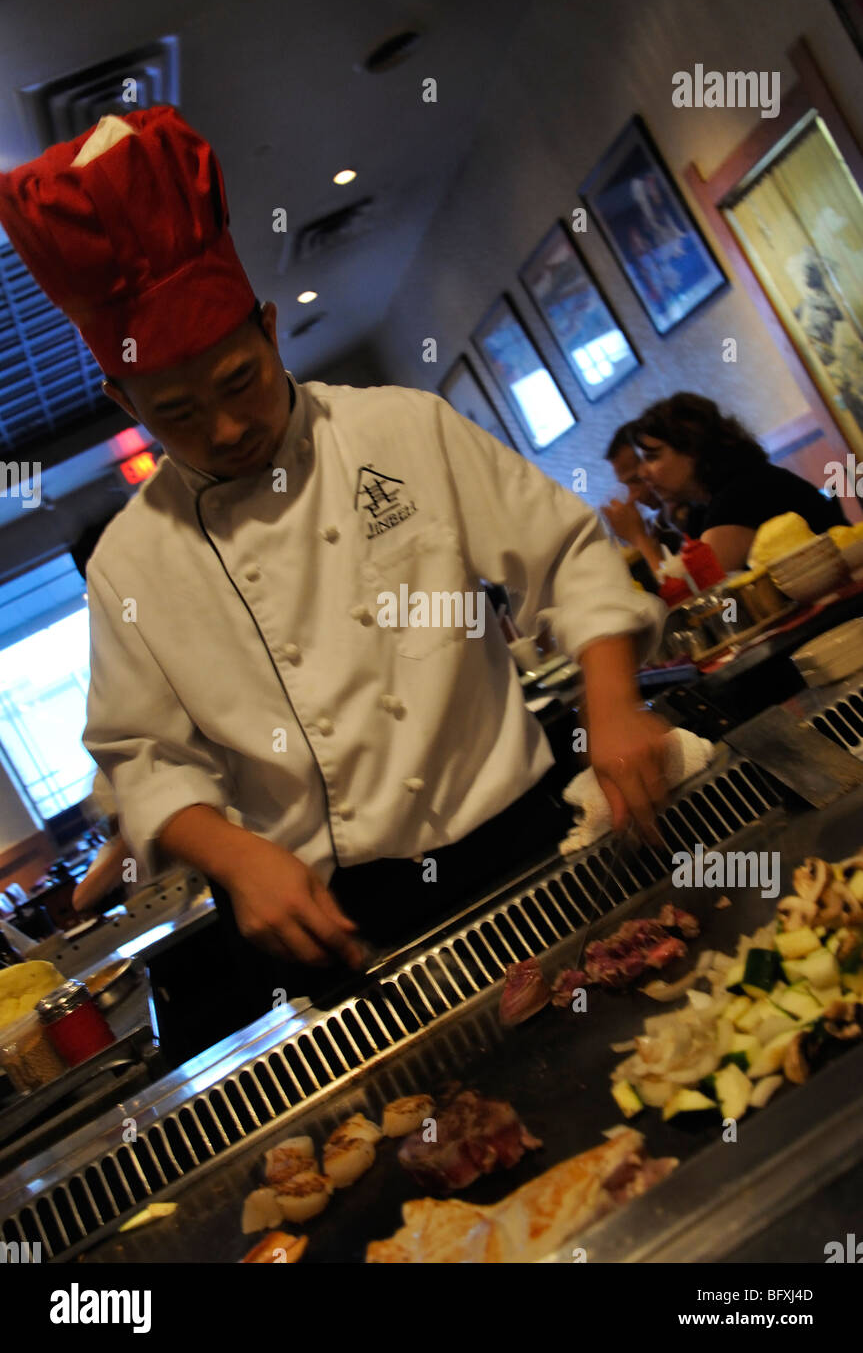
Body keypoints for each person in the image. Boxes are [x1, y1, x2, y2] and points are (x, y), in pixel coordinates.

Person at [0, 106, 668, 1016]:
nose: (227, 428)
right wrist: (236, 858)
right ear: (124, 401)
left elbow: (567, 556)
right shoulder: (131, 562)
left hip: (527, 834)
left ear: (270, 330)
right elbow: (141, 759)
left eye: (240, 381)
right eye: (178, 413)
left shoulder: (399, 427)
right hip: (336, 916)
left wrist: (614, 704)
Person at [628, 392, 847, 574]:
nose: (643, 473)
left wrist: (640, 540)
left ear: (691, 448)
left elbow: (703, 597)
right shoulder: (708, 505)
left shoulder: (740, 495)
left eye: (652, 457)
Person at [601, 422, 684, 561]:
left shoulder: (705, 507)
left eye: (636, 480)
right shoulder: (663, 525)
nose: (634, 496)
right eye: (627, 486)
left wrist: (637, 538)